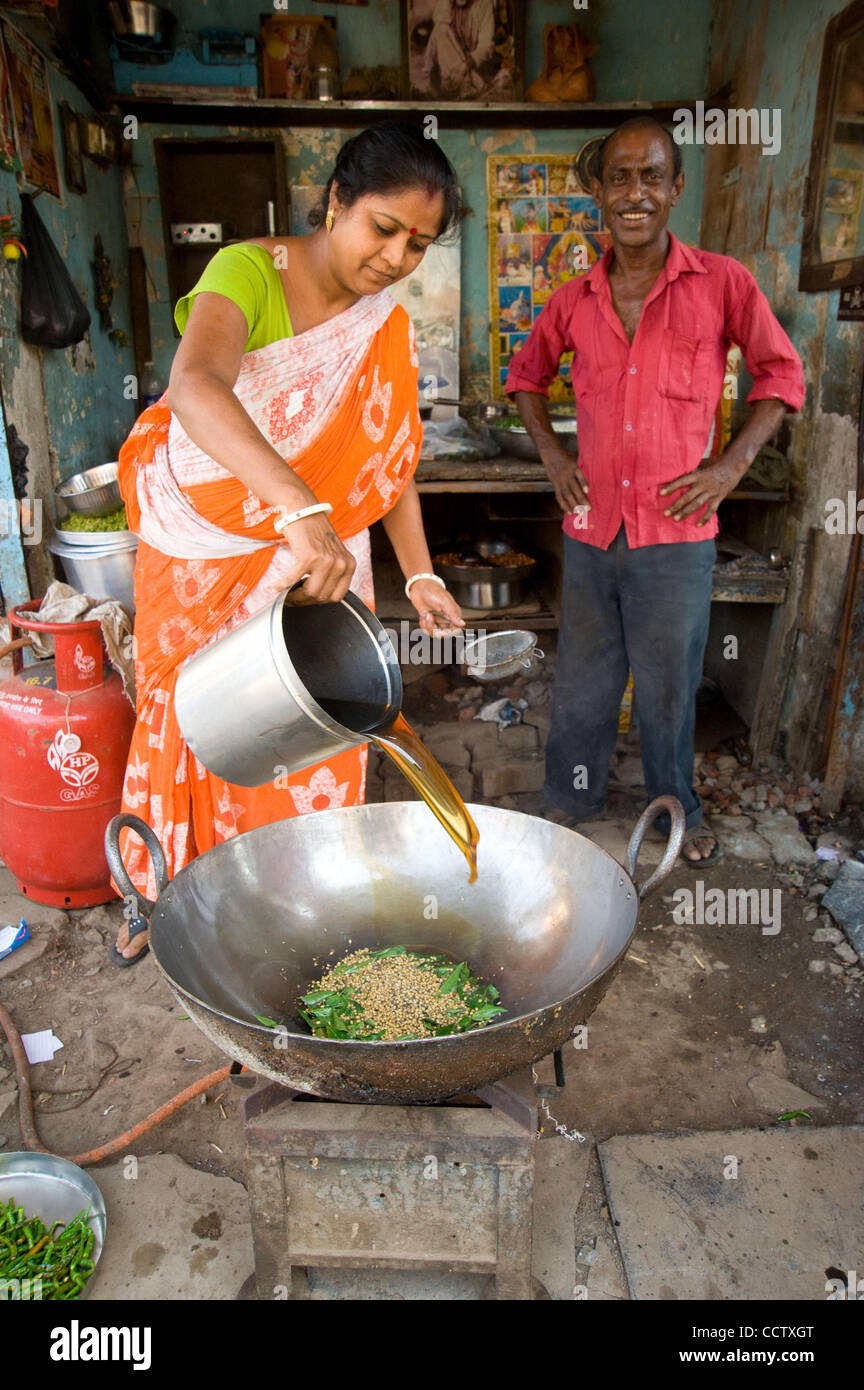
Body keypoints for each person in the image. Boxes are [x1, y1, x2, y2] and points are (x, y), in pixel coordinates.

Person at [111, 120, 466, 963]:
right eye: (385, 228)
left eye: (420, 244)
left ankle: (290, 893)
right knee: (188, 716)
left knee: (311, 722)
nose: (396, 259)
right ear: (337, 199)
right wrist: (295, 506)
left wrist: (419, 576)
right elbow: (195, 386)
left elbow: (388, 460)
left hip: (316, 560)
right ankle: (155, 892)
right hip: (203, 549)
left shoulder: (383, 325)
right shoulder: (247, 270)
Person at [507, 116, 804, 863]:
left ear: (675, 189)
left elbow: (780, 374)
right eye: (620, 177)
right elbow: (525, 379)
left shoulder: (722, 283)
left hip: (675, 535)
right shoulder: (573, 297)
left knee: (670, 689)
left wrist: (729, 468)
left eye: (651, 177)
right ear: (600, 193)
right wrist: (552, 454)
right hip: (592, 527)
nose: (634, 192)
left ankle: (675, 814)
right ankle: (571, 798)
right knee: (582, 681)